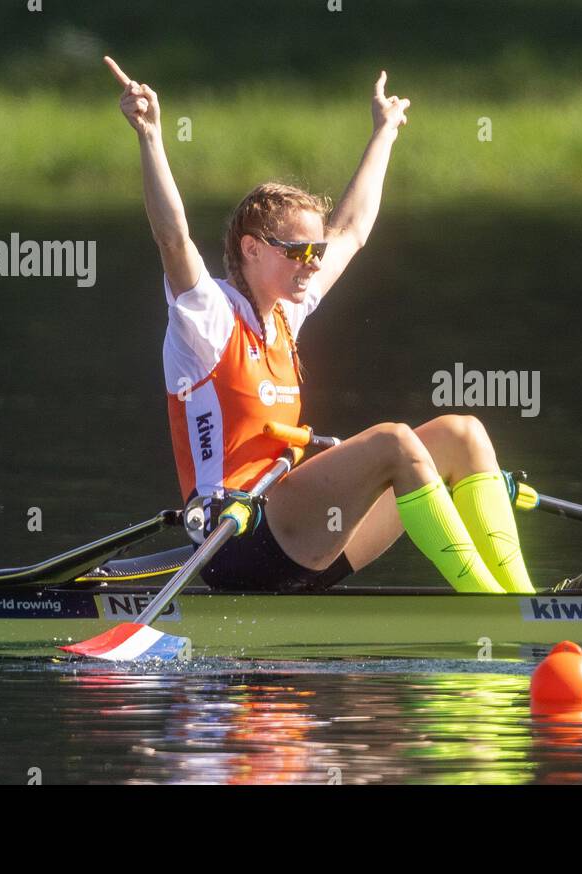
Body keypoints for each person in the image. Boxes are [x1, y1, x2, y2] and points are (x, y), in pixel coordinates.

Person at [106, 56, 533, 595]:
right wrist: (149, 137)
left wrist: (385, 133)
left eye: (316, 251)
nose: (313, 262)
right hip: (235, 542)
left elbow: (352, 230)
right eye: (300, 251)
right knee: (393, 442)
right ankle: (495, 610)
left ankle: (524, 601)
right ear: (252, 249)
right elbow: (172, 239)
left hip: (298, 536)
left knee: (462, 434)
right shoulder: (207, 319)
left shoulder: (287, 313)